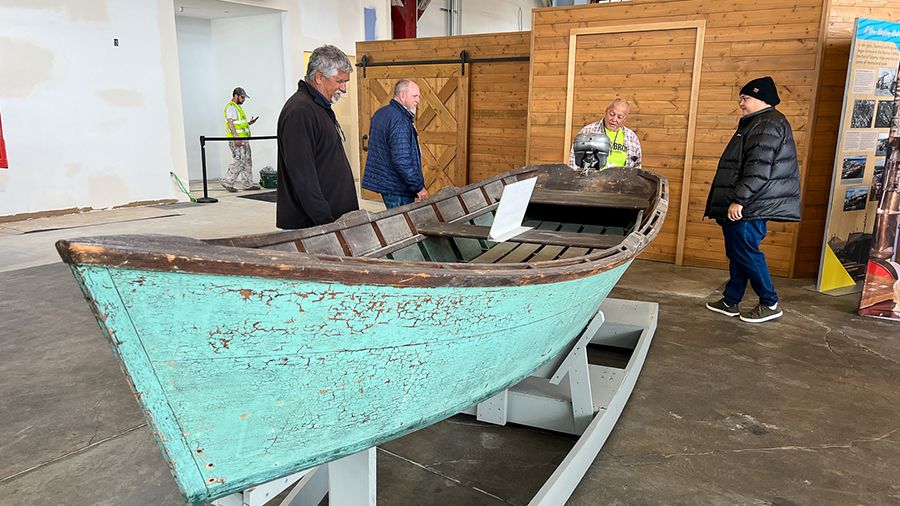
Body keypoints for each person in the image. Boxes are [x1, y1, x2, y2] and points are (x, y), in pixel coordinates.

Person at [704, 76, 801, 323]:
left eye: (745, 98)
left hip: (751, 205)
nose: (741, 104)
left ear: (761, 98)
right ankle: (730, 300)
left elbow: (759, 168)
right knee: (738, 252)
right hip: (750, 202)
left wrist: (739, 200)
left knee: (746, 252)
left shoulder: (767, 124)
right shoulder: (758, 122)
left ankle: (769, 302)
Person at [276, 45, 359, 229]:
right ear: (319, 77)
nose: (344, 88)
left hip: (330, 222)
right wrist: (325, 222)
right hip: (312, 227)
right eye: (339, 81)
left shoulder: (319, 107)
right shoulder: (300, 111)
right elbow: (303, 176)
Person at [361, 79, 427, 208]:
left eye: (418, 96)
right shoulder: (400, 120)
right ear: (402, 95)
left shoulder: (381, 113)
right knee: (401, 225)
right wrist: (418, 187)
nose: (418, 100)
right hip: (398, 187)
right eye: (414, 96)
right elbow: (402, 159)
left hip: (387, 185)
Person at [569, 98, 642, 170]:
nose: (614, 119)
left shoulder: (632, 138)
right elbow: (573, 162)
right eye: (612, 114)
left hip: (621, 180)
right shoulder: (588, 131)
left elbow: (637, 167)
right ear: (606, 111)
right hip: (592, 180)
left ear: (625, 119)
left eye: (619, 117)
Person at [223, 87, 260, 192]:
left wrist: (249, 123)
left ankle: (248, 184)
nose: (244, 99)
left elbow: (238, 124)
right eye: (242, 97)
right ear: (235, 96)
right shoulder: (231, 107)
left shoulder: (237, 108)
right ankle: (228, 182)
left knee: (247, 162)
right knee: (239, 161)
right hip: (238, 140)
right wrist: (236, 138)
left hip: (243, 140)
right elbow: (230, 123)